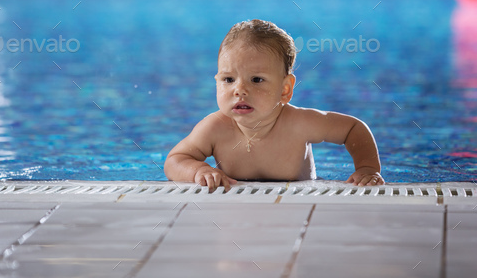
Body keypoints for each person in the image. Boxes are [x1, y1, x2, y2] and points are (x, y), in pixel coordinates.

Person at [164, 19, 385, 191]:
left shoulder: (300, 124)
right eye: (228, 80)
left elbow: (353, 129)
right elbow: (175, 160)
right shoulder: (214, 128)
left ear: (285, 89)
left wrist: (367, 168)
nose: (239, 90)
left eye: (257, 80)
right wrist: (198, 170)